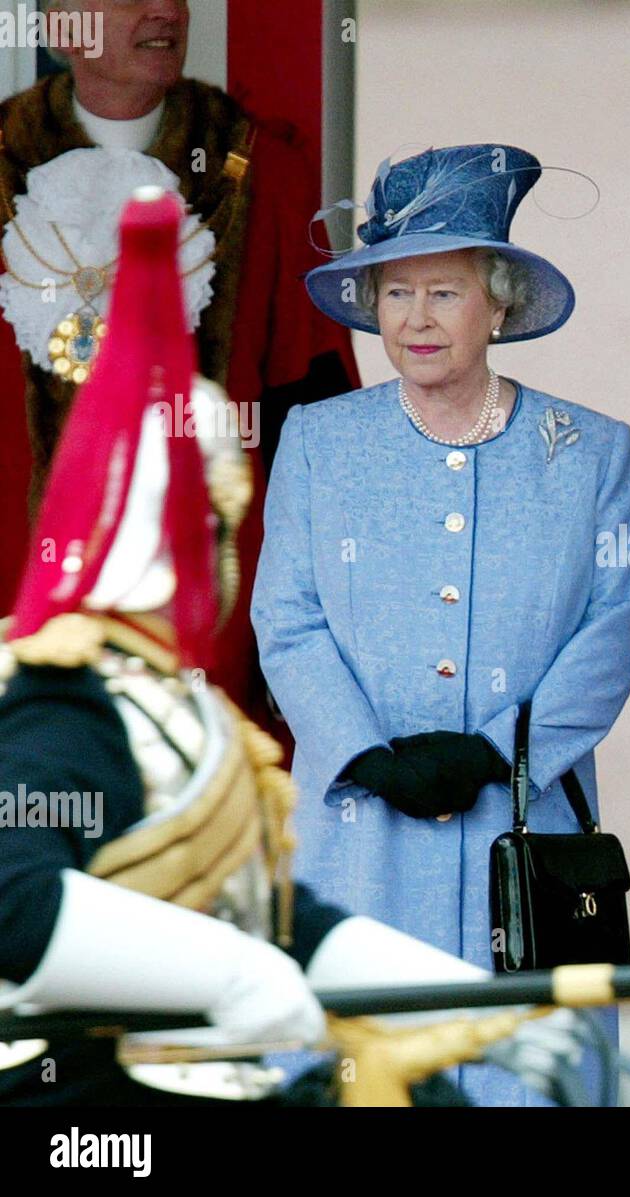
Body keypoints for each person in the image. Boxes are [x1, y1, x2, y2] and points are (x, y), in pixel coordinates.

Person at [0, 188, 578, 1107]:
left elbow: (279, 917)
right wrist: (236, 975)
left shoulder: (184, 715)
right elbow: (16, 908)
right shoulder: (57, 702)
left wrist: (478, 1008)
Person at [251, 143, 630, 1106]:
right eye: (396, 294)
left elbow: (614, 623)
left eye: (444, 293)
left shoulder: (592, 452)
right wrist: (368, 752)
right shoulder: (321, 441)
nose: (416, 319)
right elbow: (287, 619)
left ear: (499, 303)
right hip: (358, 837)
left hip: (524, 837)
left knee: (525, 1085)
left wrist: (492, 753)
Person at [0, 0, 358, 723]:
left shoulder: (265, 172)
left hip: (210, 599)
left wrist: (316, 620)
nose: (165, 9)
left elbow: (312, 411)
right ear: (64, 26)